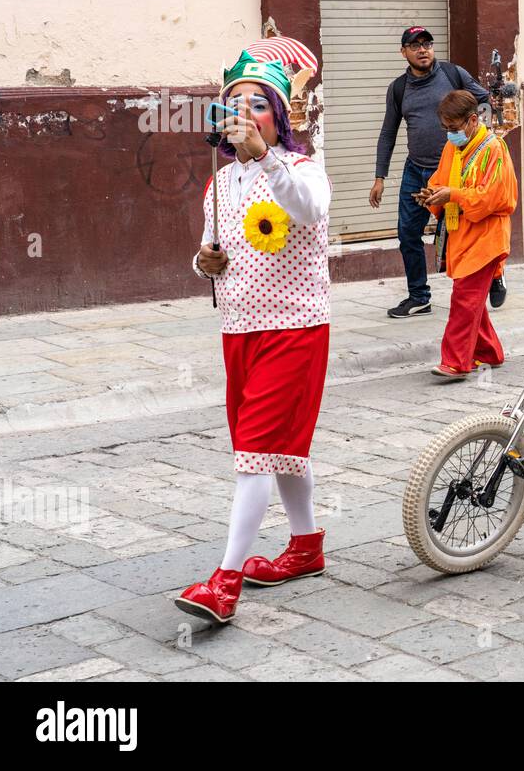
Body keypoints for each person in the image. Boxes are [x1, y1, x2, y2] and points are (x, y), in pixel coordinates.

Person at [177, 47, 332, 624]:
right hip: (238, 328)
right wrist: (203, 264)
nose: (245, 113)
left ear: (279, 117)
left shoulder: (303, 169)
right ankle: (306, 546)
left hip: (295, 326)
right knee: (277, 446)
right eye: (235, 103)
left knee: (254, 457)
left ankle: (225, 581)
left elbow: (309, 210)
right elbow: (209, 252)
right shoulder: (218, 184)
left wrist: (266, 157)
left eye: (259, 104)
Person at [371, 26, 492, 318]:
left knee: (465, 232)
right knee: (408, 233)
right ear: (404, 53)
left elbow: (484, 101)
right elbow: (388, 132)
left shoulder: (453, 74)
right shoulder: (399, 88)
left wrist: (482, 145)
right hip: (416, 171)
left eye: (427, 43)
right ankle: (419, 296)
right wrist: (380, 177)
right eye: (415, 46)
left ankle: (492, 274)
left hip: (456, 171)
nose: (423, 49)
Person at [420, 91, 518, 378]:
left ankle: (455, 361)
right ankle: (489, 353)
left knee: (464, 299)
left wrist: (454, 194)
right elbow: (441, 178)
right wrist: (433, 194)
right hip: (461, 233)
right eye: (446, 129)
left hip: (486, 237)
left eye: (454, 128)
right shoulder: (454, 148)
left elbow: (497, 197)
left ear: (473, 120)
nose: (450, 134)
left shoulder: (494, 148)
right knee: (471, 299)